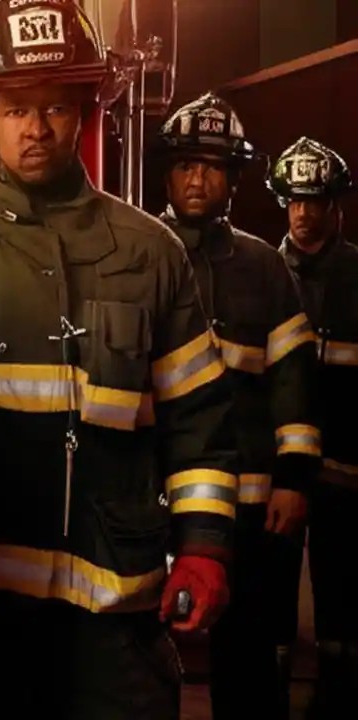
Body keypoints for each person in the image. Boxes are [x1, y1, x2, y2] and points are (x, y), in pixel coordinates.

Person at [0, 2, 239, 718]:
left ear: (83, 111)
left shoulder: (148, 254)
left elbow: (198, 418)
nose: (35, 129)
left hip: (114, 623)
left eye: (53, 107)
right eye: (15, 108)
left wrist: (204, 543)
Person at [156, 93, 318, 720]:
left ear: (233, 179)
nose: (199, 179)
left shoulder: (266, 269)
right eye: (187, 165)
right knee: (140, 661)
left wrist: (295, 479)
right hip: (151, 502)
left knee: (248, 660)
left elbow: (293, 382)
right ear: (167, 173)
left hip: (249, 507)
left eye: (215, 167)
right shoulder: (139, 254)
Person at [269, 136, 358, 720]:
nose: (304, 213)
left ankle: (340, 690)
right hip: (278, 465)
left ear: (336, 206)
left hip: (349, 462)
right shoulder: (263, 270)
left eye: (315, 201)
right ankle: (269, 684)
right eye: (295, 201)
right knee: (273, 583)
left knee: (344, 583)